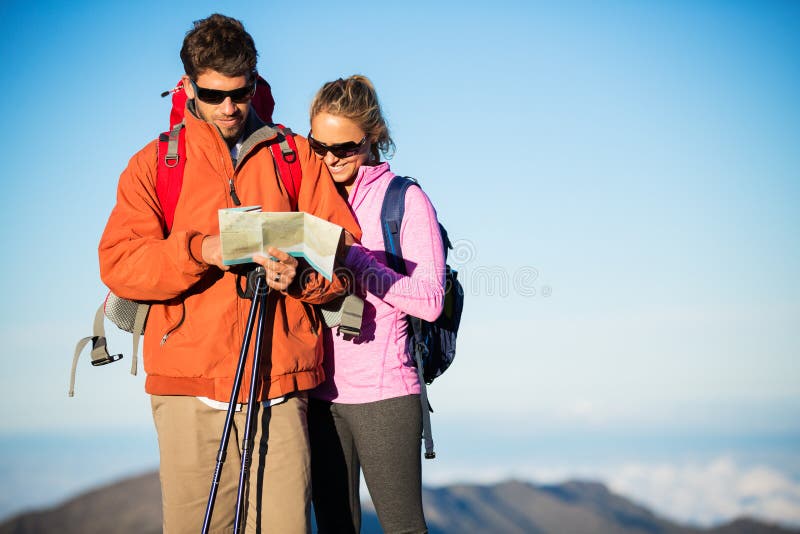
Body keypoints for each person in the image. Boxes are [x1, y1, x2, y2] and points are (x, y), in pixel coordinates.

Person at [98, 14, 360, 534]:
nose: (229, 108)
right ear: (190, 84)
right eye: (214, 94)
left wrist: (302, 279)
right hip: (188, 387)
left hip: (280, 385)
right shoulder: (155, 165)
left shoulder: (294, 157)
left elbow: (342, 254)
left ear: (255, 81)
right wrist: (202, 250)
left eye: (240, 93)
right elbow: (121, 263)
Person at [307, 75, 446, 534]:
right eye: (318, 146)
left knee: (403, 526)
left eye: (344, 148)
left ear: (372, 137)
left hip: (384, 393)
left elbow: (429, 301)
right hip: (318, 393)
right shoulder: (310, 199)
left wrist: (357, 260)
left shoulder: (404, 200)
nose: (330, 159)